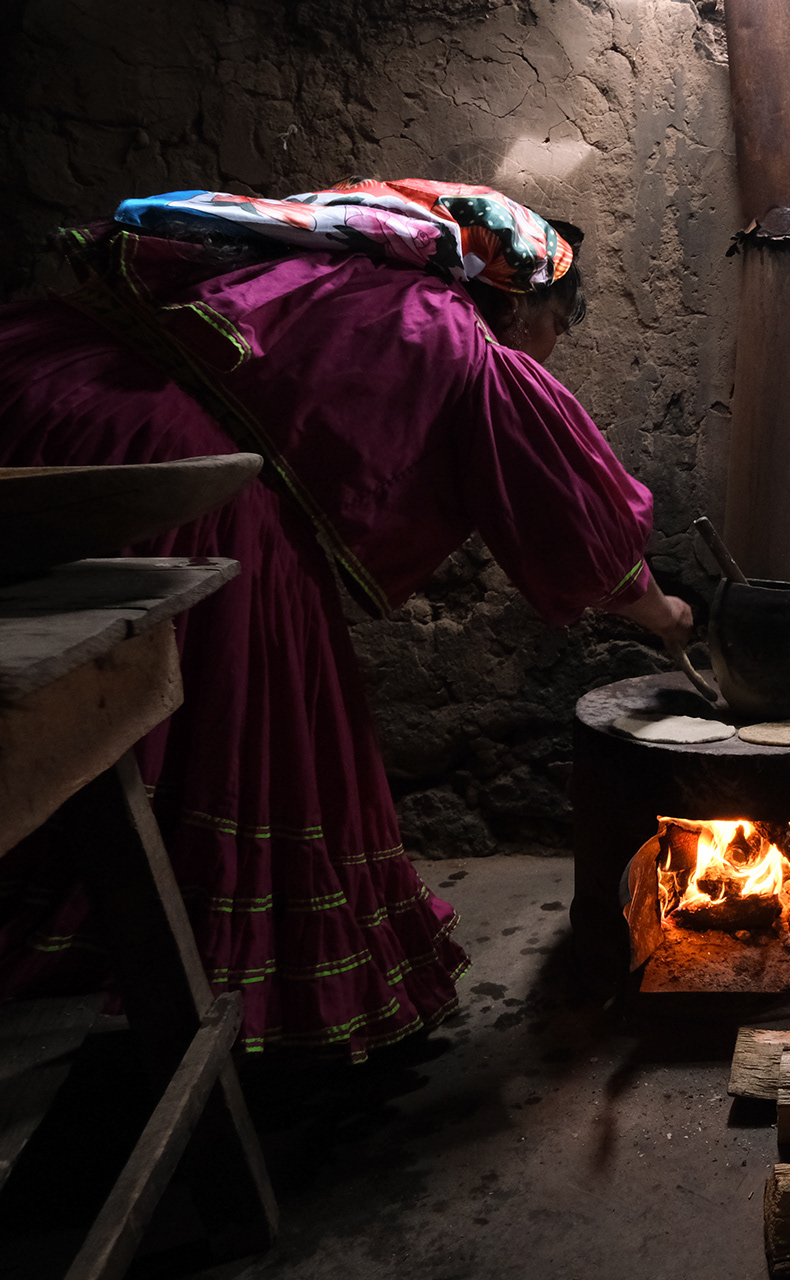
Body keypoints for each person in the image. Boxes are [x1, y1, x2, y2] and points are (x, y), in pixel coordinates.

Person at [0, 180, 694, 1061]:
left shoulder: (327, 268)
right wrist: (663, 613)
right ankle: (142, 979)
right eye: (559, 328)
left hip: (45, 396)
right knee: (224, 727)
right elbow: (573, 520)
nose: (552, 354)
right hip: (170, 483)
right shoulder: (451, 333)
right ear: (520, 301)